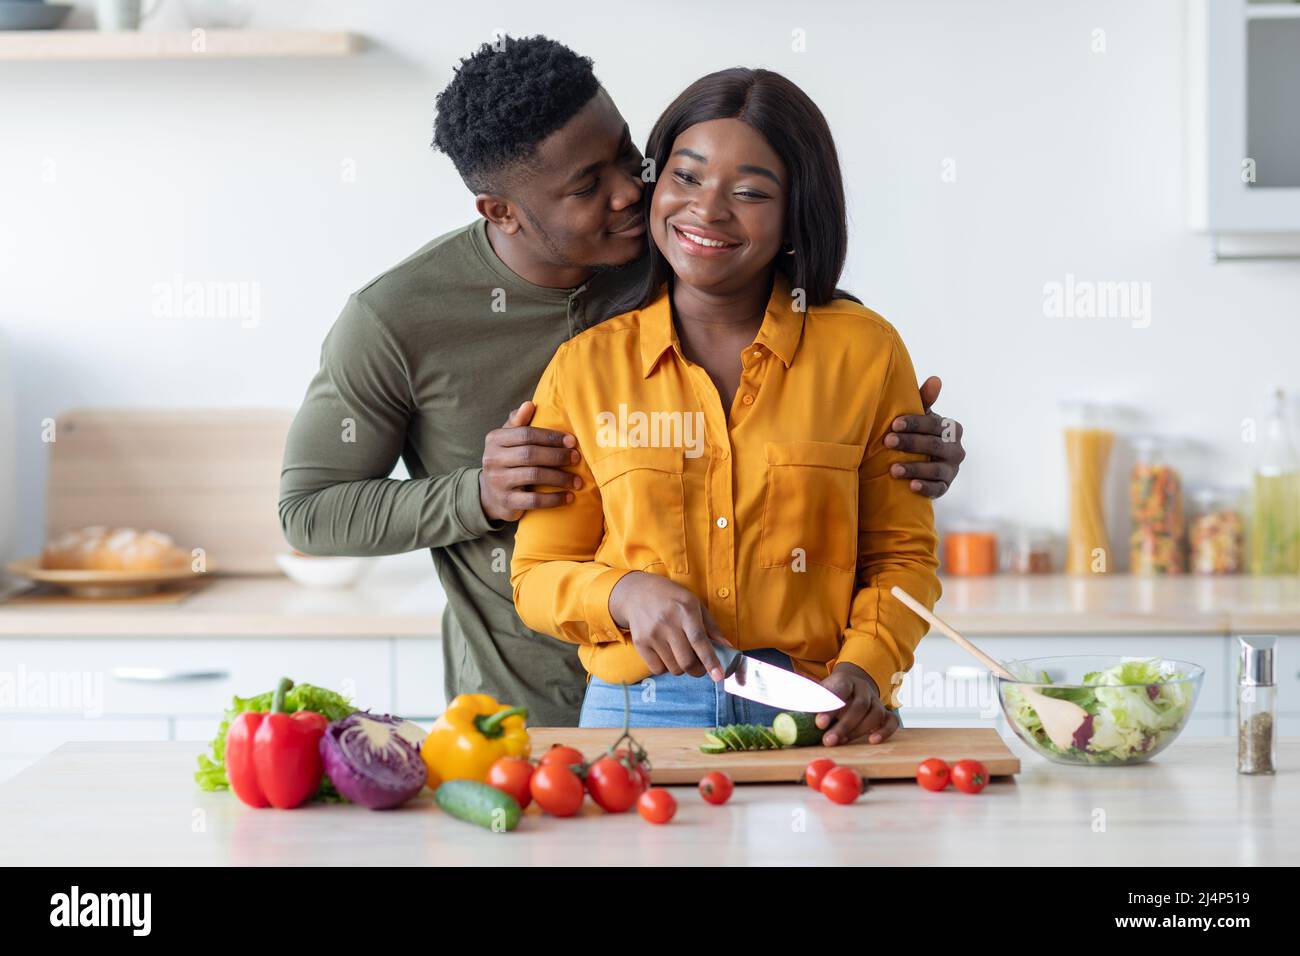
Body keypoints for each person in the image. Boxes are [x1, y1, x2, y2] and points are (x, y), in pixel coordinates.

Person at [281, 37, 965, 728]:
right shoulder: (398, 317)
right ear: (501, 211)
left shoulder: (679, 249)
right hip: (526, 700)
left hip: (779, 698)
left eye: (629, 157)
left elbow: (811, 352)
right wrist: (480, 494)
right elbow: (309, 512)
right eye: (587, 186)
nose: (630, 193)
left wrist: (900, 430)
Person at [510, 67, 942, 745]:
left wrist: (869, 666)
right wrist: (622, 594)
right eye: (685, 177)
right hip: (641, 709)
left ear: (798, 213)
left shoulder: (867, 354)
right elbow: (536, 576)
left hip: (818, 707)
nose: (708, 210)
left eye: (749, 192)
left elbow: (901, 556)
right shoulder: (586, 367)